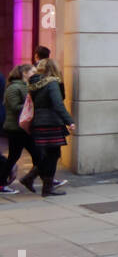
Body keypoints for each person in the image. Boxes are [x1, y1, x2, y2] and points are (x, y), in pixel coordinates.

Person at [22, 58, 74, 196]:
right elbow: (58, 104)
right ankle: (42, 186)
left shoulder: (33, 83)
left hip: (38, 121)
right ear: (53, 69)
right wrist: (69, 120)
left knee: (50, 154)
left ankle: (33, 179)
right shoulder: (51, 83)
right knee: (54, 154)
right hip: (51, 122)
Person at [2, 64, 37, 192]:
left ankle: (46, 179)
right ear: (25, 73)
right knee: (14, 157)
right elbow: (14, 107)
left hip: (24, 128)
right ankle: (2, 183)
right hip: (16, 129)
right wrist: (31, 105)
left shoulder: (26, 86)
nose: (35, 73)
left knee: (37, 155)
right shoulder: (14, 87)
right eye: (33, 71)